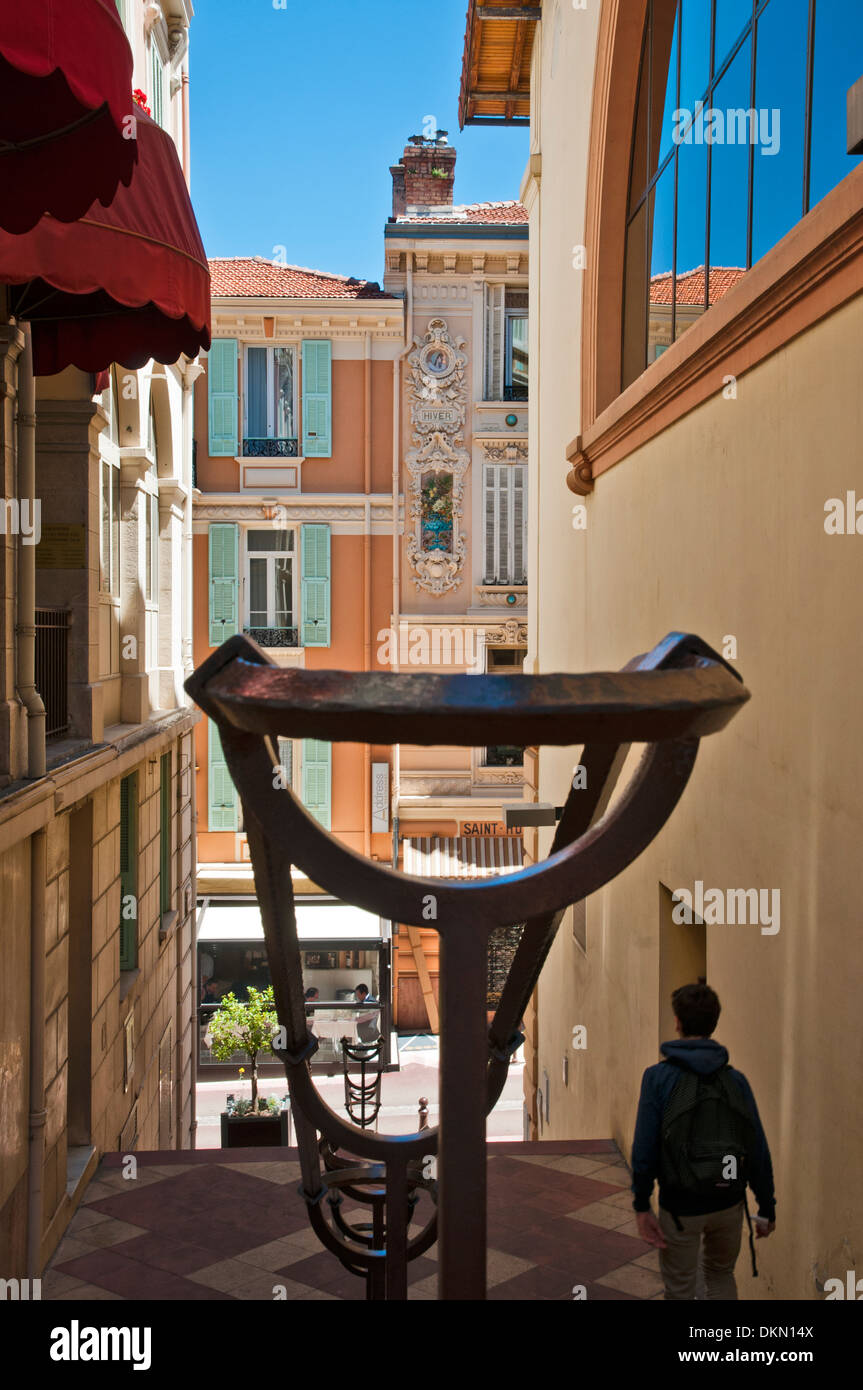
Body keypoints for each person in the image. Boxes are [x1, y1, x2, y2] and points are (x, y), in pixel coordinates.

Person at [631, 978, 775, 1300]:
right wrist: (766, 1206)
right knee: (720, 1276)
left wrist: (642, 1204)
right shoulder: (735, 1081)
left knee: (680, 1287)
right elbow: (757, 1148)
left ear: (678, 1023)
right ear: (714, 1024)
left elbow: (644, 1148)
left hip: (680, 1206)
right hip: (728, 1201)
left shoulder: (658, 1078)